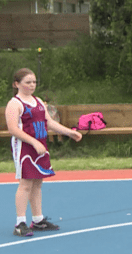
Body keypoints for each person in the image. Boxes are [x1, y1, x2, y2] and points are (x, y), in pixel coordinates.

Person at [5, 68, 83, 237]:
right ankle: (20, 223)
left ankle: (38, 220)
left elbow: (48, 122)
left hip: (40, 146)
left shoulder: (38, 101)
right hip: (25, 147)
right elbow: (12, 129)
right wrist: (32, 141)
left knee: (37, 182)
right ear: (17, 84)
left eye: (34, 82)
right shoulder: (15, 103)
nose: (32, 85)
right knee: (25, 183)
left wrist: (69, 132)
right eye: (28, 82)